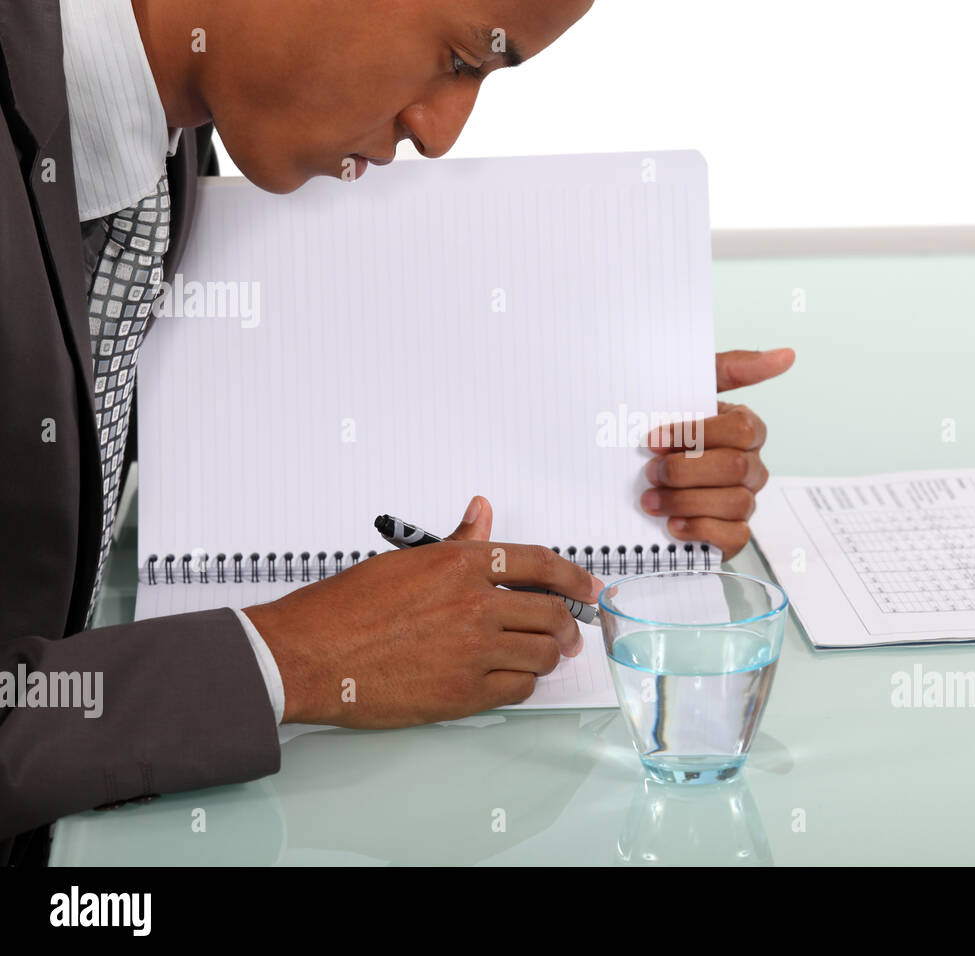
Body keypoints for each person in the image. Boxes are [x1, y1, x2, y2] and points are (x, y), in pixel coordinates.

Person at [0, 0, 795, 861]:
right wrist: (289, 661)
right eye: (458, 59)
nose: (442, 130)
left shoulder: (165, 129)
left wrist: (603, 417)